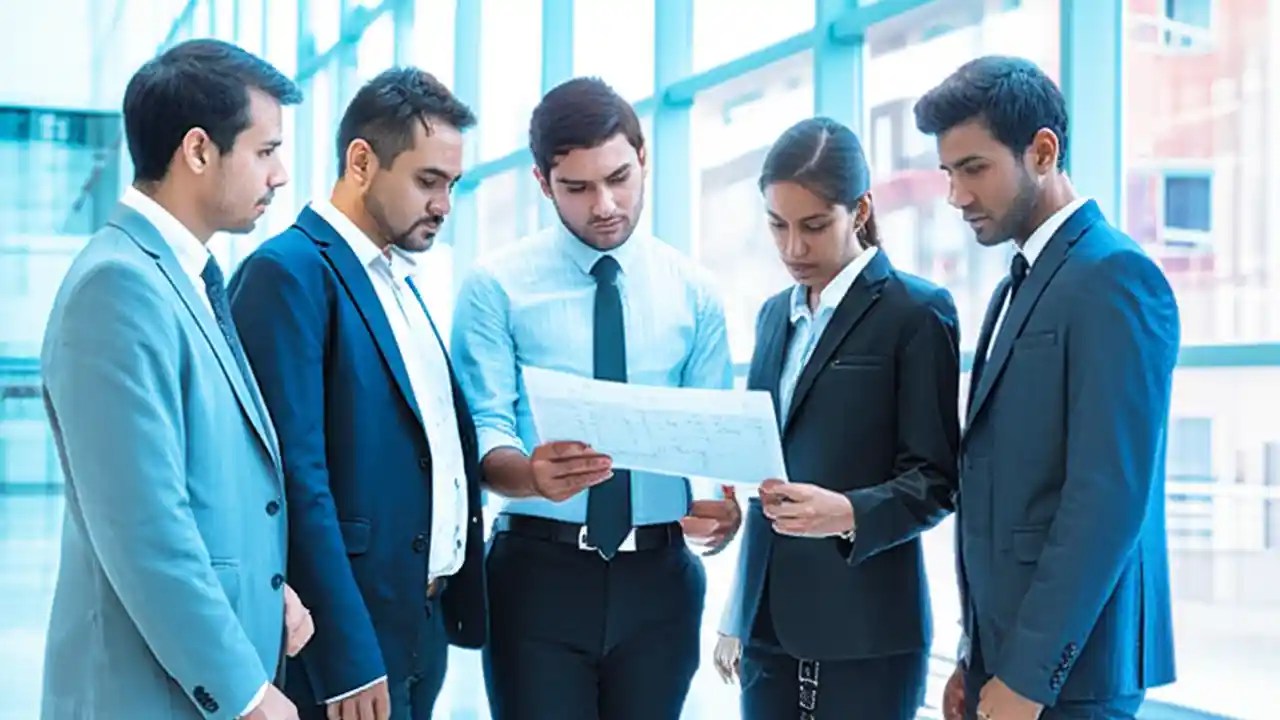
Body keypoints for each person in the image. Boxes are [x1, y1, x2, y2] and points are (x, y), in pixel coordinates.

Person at [450, 76, 742, 720]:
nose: (604, 204)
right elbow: (485, 428)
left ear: (644, 160)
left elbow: (709, 442)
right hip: (538, 576)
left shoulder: (694, 293)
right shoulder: (495, 288)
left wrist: (721, 507)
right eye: (577, 188)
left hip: (660, 580)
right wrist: (529, 476)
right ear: (541, 182)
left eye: (619, 178)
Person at [39, 39, 311, 720]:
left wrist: (266, 588)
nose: (279, 175)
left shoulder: (182, 278)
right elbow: (145, 528)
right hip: (147, 692)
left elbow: (207, 483)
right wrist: (246, 694)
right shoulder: (118, 287)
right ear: (197, 151)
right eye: (266, 150)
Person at [913, 56, 1180, 720]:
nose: (957, 197)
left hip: (1072, 675)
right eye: (949, 173)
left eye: (974, 169)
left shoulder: (1114, 276)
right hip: (1004, 660)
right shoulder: (1021, 280)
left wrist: (1030, 677)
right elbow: (1009, 493)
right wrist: (975, 657)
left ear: (1042, 150)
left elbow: (1107, 496)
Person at [227, 68, 486, 720]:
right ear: (362, 161)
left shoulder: (396, 280)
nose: (444, 204)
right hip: (344, 641)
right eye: (428, 181)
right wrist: (344, 655)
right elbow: (292, 478)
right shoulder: (288, 274)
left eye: (452, 184)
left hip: (416, 622)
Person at [709, 117, 960, 719]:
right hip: (768, 630)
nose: (793, 248)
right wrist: (738, 610)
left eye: (815, 226)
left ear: (862, 210)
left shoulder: (917, 313)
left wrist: (848, 513)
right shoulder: (774, 316)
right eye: (778, 226)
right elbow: (764, 470)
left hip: (866, 633)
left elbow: (936, 480)